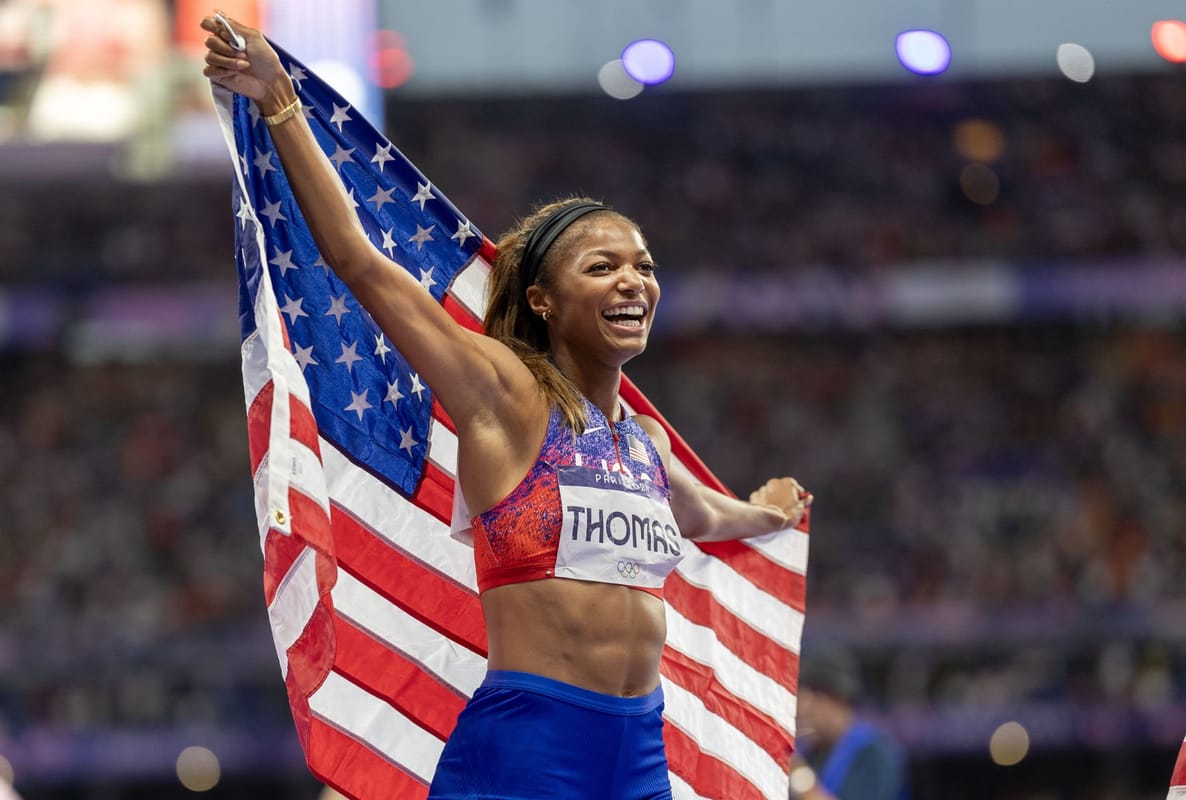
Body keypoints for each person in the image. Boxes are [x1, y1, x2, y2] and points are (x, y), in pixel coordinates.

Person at [201, 15, 812, 800]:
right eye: (604, 266)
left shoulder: (645, 443)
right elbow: (358, 261)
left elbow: (706, 518)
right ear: (543, 301)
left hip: (637, 754)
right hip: (529, 749)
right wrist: (281, 100)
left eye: (645, 267)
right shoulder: (504, 394)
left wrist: (766, 512)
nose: (635, 281)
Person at [790, 644, 909, 800]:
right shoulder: (811, 752)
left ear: (841, 700)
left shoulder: (874, 754)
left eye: (816, 699)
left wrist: (799, 776)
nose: (804, 710)